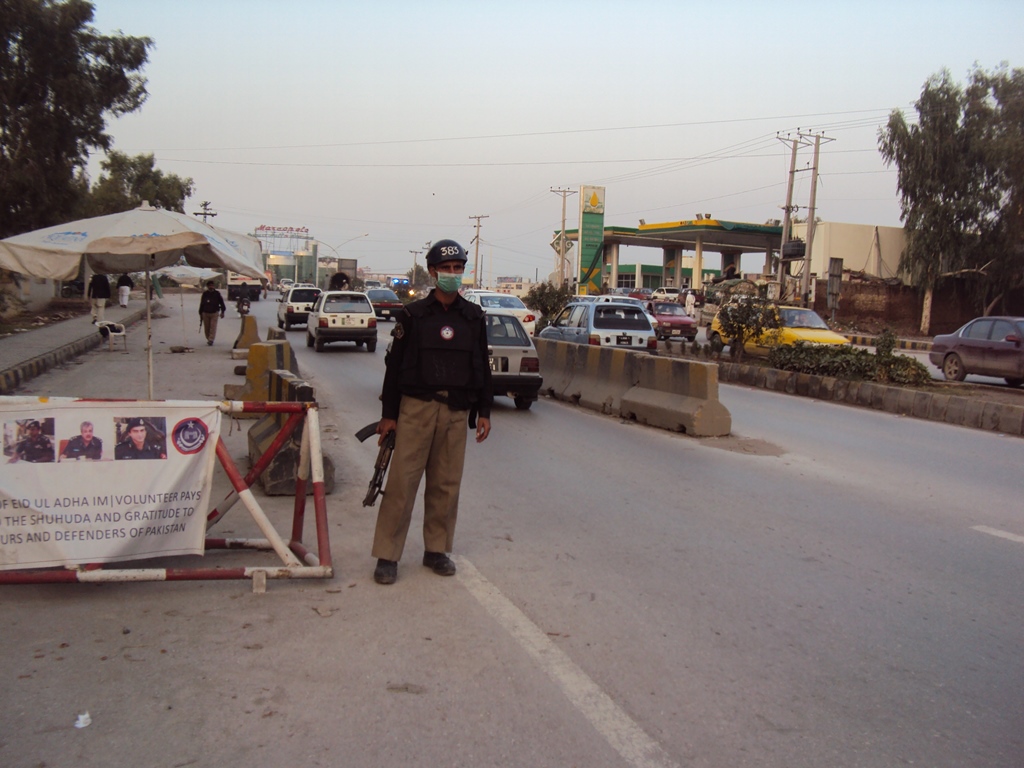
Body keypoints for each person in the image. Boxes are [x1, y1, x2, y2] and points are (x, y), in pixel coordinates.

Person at [370, 239, 492, 585]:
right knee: (402, 484)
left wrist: (484, 411)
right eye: (446, 269)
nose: (453, 274)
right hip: (416, 409)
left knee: (446, 485)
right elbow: (394, 368)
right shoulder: (413, 315)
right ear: (433, 272)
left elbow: (482, 367)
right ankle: (387, 555)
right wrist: (389, 415)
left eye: (458, 268)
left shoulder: (473, 317)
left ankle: (436, 550)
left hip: (455, 412)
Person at [198, 280, 227, 346]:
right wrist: (200, 313)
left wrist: (223, 312)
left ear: (213, 286)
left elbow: (222, 303)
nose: (211, 287)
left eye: (212, 285)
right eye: (209, 286)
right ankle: (208, 338)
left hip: (214, 313)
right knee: (207, 328)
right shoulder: (205, 294)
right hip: (205, 313)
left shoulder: (217, 294)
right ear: (207, 286)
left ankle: (211, 339)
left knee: (213, 327)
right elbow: (202, 304)